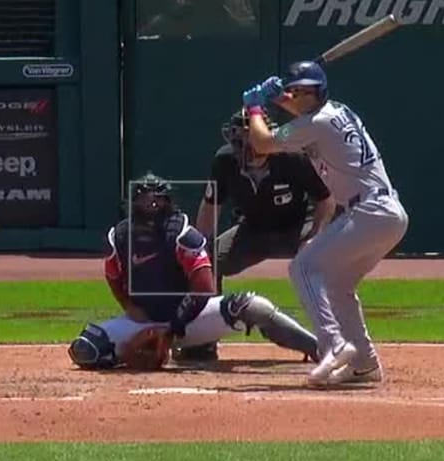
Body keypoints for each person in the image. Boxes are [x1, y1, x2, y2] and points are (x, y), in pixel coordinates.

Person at [240, 60, 410, 386]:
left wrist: (255, 107)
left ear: (317, 92)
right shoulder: (334, 112)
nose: (296, 97)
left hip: (371, 211)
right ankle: (364, 363)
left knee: (302, 267)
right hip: (385, 213)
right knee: (337, 285)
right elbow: (301, 112)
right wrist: (277, 96)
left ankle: (333, 345)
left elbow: (262, 143)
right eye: (294, 91)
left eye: (302, 91)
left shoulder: (316, 123)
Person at [66, 172, 320, 370]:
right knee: (85, 349)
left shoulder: (183, 234)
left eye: (157, 199)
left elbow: (204, 288)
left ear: (167, 202)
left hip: (190, 321)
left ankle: (319, 348)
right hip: (143, 321)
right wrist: (130, 313)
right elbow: (113, 277)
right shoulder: (120, 236)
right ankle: (135, 353)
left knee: (253, 307)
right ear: (133, 203)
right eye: (144, 200)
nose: (151, 205)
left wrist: (170, 331)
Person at [175, 109, 333, 363]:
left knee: (320, 262)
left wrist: (315, 236)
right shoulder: (225, 161)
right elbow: (211, 206)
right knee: (207, 261)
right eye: (241, 143)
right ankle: (203, 341)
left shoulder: (293, 156)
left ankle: (333, 339)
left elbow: (326, 200)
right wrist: (200, 246)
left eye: (255, 141)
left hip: (297, 227)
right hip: (253, 229)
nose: (249, 150)